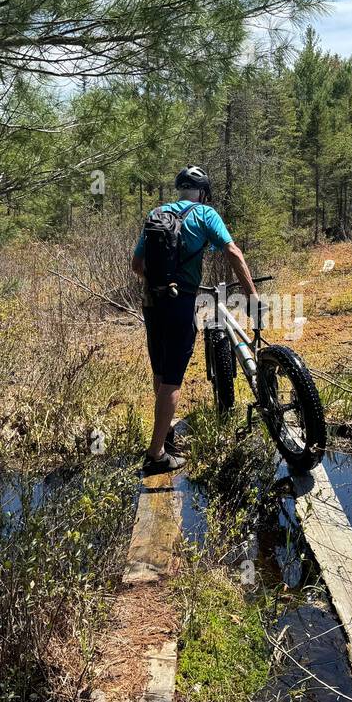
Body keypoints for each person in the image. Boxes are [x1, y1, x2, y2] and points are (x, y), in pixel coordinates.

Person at [131, 165, 257, 474]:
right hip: (180, 302)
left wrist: (160, 281)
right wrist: (252, 296)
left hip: (152, 301)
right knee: (174, 377)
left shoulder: (157, 213)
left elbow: (136, 265)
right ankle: (157, 453)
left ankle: (166, 434)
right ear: (202, 193)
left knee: (160, 370)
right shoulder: (205, 214)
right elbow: (233, 252)